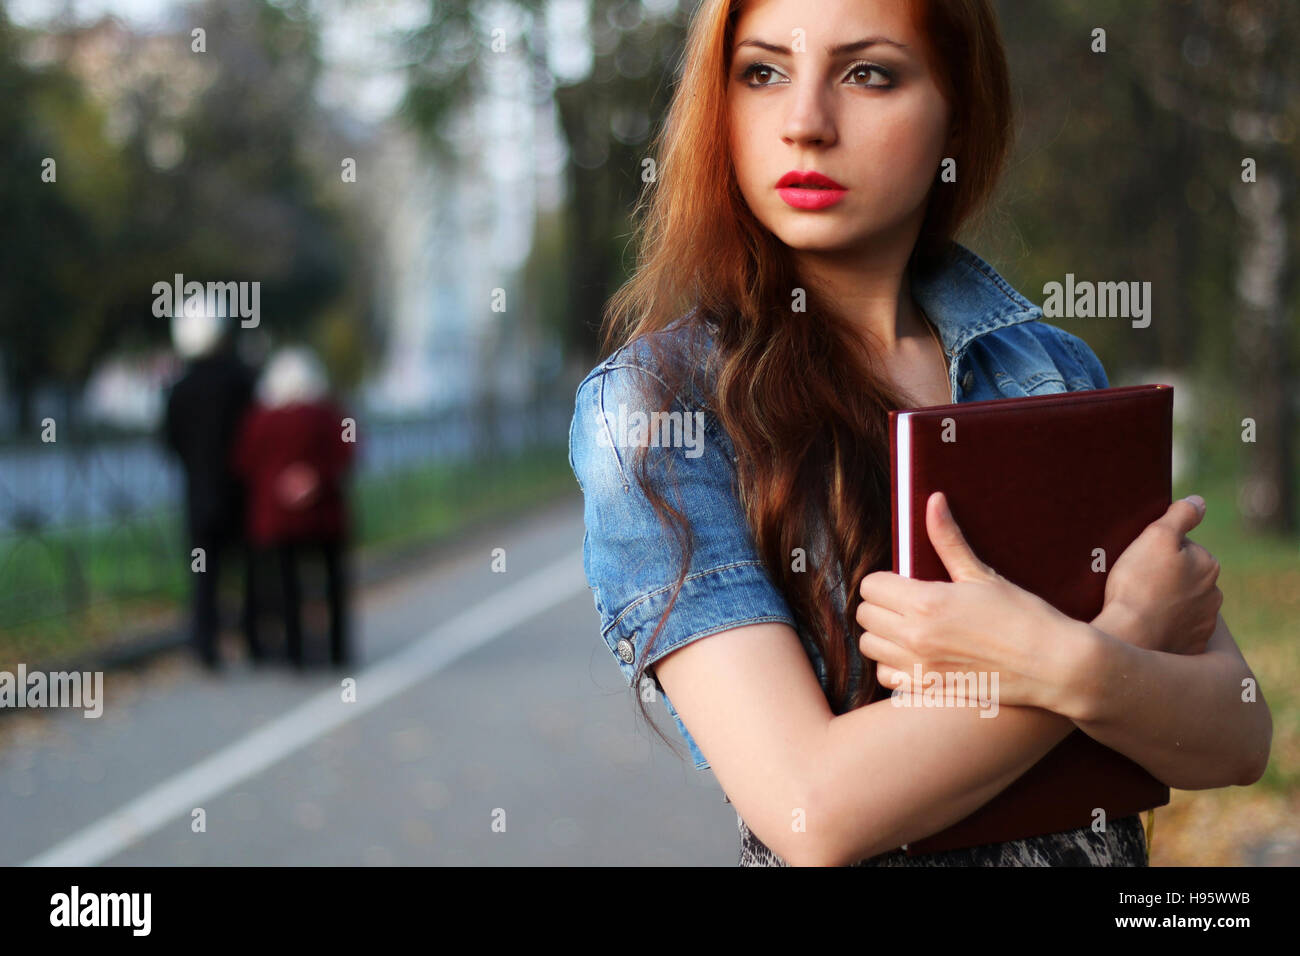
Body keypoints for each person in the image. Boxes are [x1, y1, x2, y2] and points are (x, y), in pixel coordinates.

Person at [567, 0, 1272, 866]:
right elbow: (811, 810)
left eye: (868, 73)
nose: (805, 124)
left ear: (956, 115)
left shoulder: (1047, 371)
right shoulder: (658, 408)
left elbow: (1235, 733)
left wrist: (1057, 662)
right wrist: (1110, 644)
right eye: (763, 72)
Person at [232, 347, 355, 669]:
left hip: (277, 517)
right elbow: (347, 452)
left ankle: (296, 652)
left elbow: (244, 461)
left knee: (287, 584)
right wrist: (314, 479)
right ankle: (339, 649)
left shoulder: (261, 420)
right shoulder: (329, 414)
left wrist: (280, 483)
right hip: (325, 515)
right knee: (332, 583)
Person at [163, 308, 257, 670]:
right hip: (238, 492)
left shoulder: (180, 388)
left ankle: (205, 645)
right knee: (246, 568)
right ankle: (251, 638)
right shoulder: (241, 381)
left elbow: (170, 440)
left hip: (199, 494)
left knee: (203, 575)